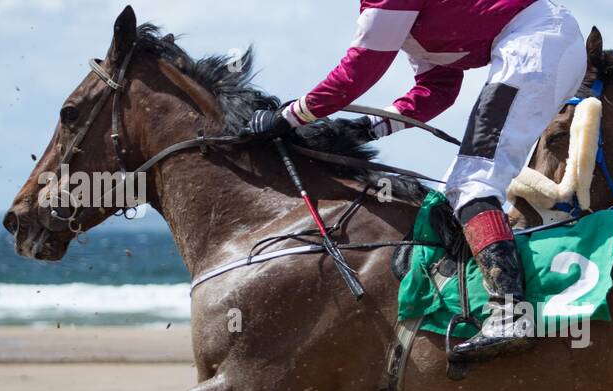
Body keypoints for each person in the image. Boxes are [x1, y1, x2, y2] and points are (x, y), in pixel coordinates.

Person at [244, 0, 587, 363]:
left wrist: (290, 116)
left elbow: (358, 71)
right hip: (543, 45)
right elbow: (437, 87)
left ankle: (509, 314)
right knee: (458, 185)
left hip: (534, 47)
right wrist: (366, 129)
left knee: (472, 183)